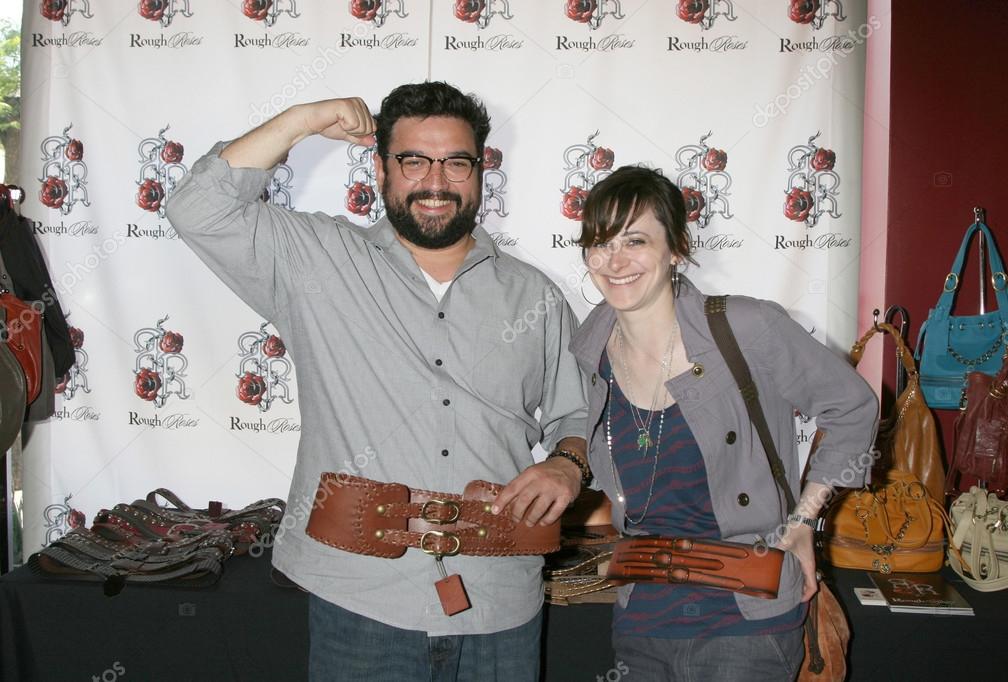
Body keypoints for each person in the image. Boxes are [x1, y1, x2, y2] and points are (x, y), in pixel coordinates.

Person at [166, 82, 591, 682]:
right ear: (381, 167)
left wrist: (568, 462)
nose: (436, 181)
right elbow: (196, 207)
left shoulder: (535, 296)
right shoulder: (314, 260)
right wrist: (301, 119)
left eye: (456, 162)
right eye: (413, 160)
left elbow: (577, 414)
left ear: (480, 170)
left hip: (501, 598)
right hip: (360, 603)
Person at [567, 166, 878, 681]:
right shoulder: (588, 351)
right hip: (641, 621)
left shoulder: (745, 326)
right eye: (599, 243)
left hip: (745, 623)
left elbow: (852, 405)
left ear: (676, 250)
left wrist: (804, 521)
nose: (614, 260)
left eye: (636, 240)